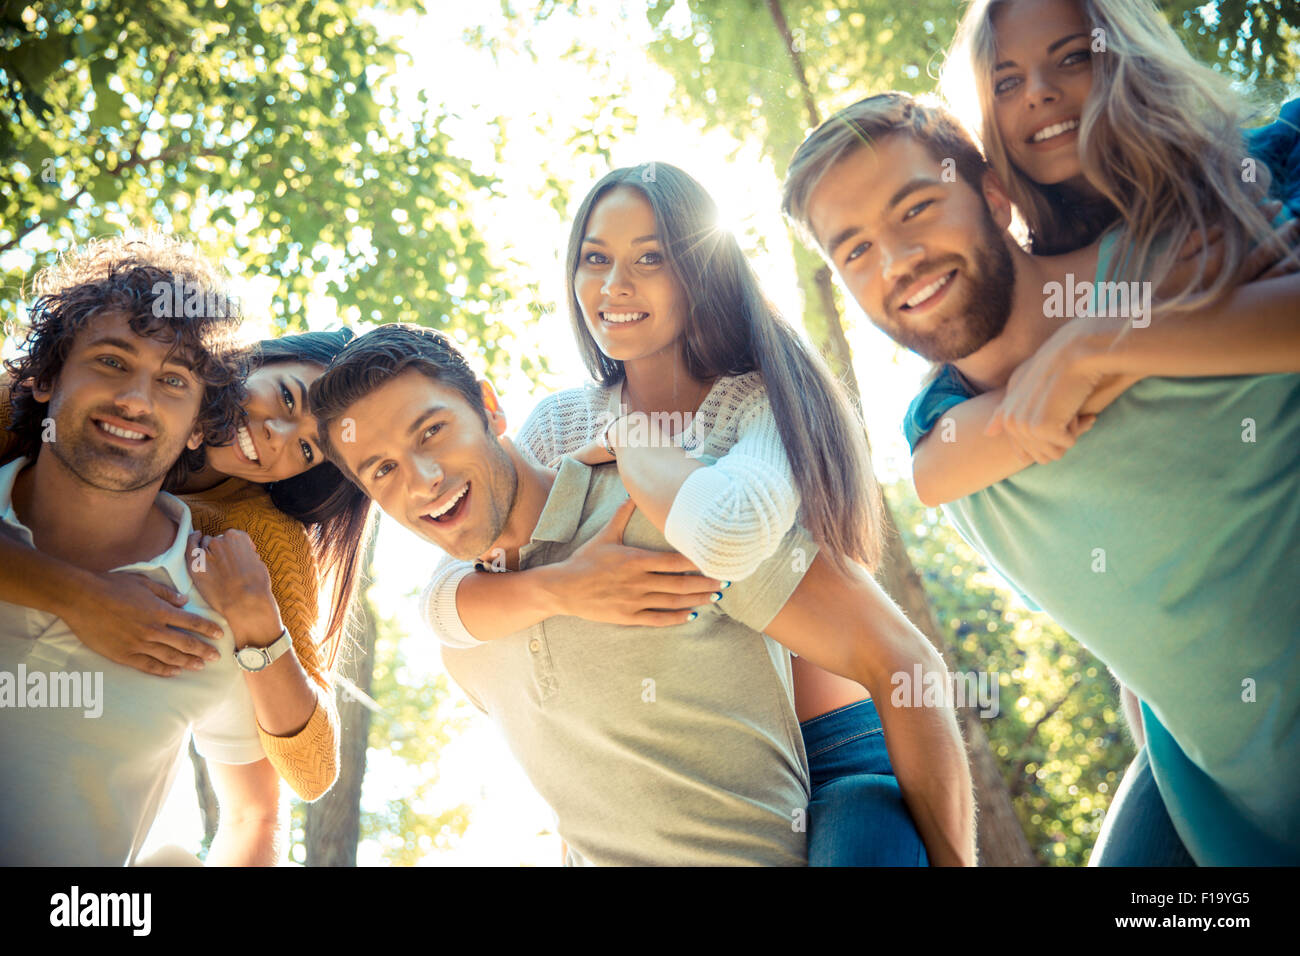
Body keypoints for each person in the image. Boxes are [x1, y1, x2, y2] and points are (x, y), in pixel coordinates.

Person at [782, 91, 1300, 865]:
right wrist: (1103, 348)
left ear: (993, 193)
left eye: (916, 209)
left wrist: (1110, 338)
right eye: (853, 249)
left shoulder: (1178, 248)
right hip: (1216, 802)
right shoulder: (948, 454)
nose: (897, 260)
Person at [419, 162, 949, 865]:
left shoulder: (761, 404)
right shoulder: (560, 422)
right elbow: (444, 601)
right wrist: (562, 587)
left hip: (837, 751)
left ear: (698, 270)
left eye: (650, 258)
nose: (615, 286)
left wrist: (633, 444)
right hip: (696, 776)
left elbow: (726, 535)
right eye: (595, 259)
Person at [310, 323, 974, 866]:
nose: (422, 479)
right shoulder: (467, 642)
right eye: (383, 470)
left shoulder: (666, 513)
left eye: (432, 432)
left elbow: (901, 663)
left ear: (488, 406)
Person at [0, 238, 371, 803]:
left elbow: (313, 770)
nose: (276, 437)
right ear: (251, 360)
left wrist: (258, 622)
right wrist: (82, 598)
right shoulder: (46, 408)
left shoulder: (257, 532)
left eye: (306, 451)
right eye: (287, 399)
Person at [0, 234, 280, 864]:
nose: (135, 400)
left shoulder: (216, 608)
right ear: (46, 378)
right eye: (111, 361)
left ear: (199, 430)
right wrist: (79, 596)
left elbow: (254, 814)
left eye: (173, 381)